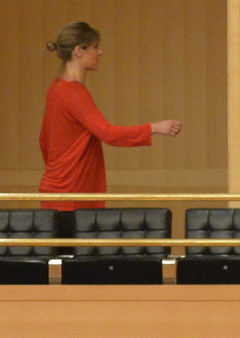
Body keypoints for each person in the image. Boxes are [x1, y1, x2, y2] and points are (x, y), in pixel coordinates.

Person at [39, 23, 182, 233]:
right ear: (79, 51)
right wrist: (155, 127)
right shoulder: (73, 93)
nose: (100, 52)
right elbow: (108, 133)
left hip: (60, 192)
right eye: (94, 47)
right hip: (72, 194)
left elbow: (44, 140)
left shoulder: (57, 87)